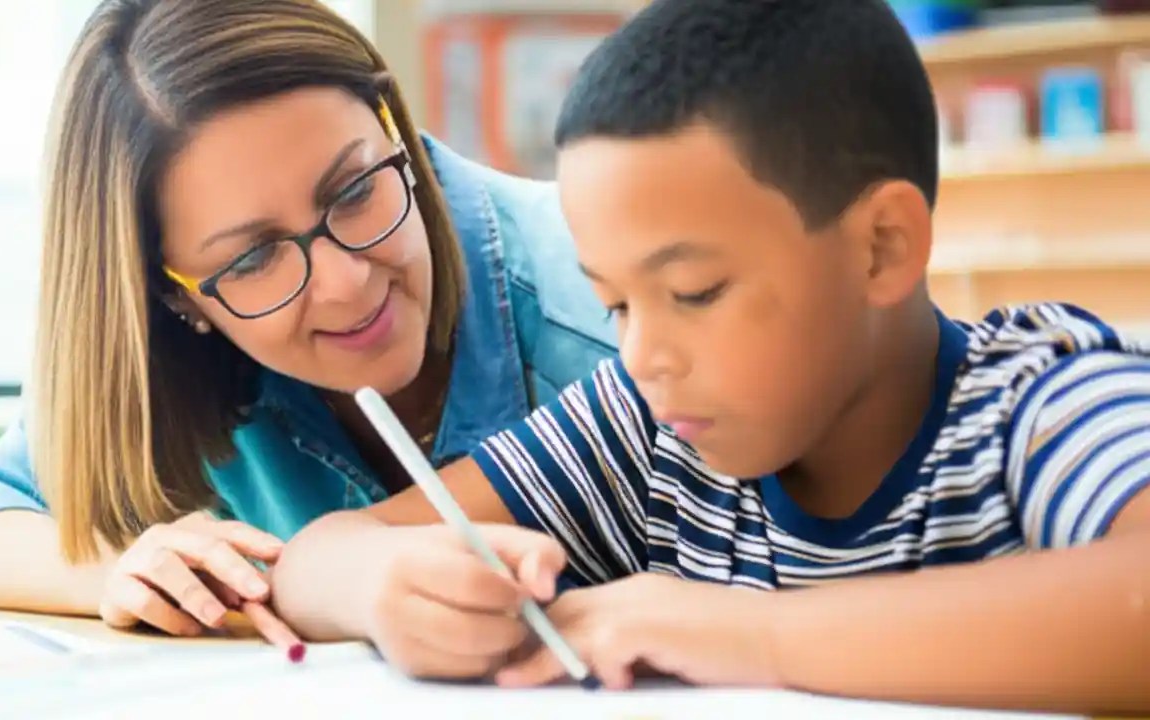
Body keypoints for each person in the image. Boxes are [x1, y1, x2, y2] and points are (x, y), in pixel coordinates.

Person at [271, 0, 1150, 713]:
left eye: (693, 292)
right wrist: (390, 585)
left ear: (881, 247)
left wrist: (750, 635)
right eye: (615, 301)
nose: (645, 352)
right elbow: (320, 556)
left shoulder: (1037, 399)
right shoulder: (648, 430)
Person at [0, 0, 614, 641]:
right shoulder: (169, 362)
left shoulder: (612, 299)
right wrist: (117, 573)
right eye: (252, 259)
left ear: (391, 122)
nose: (345, 281)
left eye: (356, 188)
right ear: (173, 296)